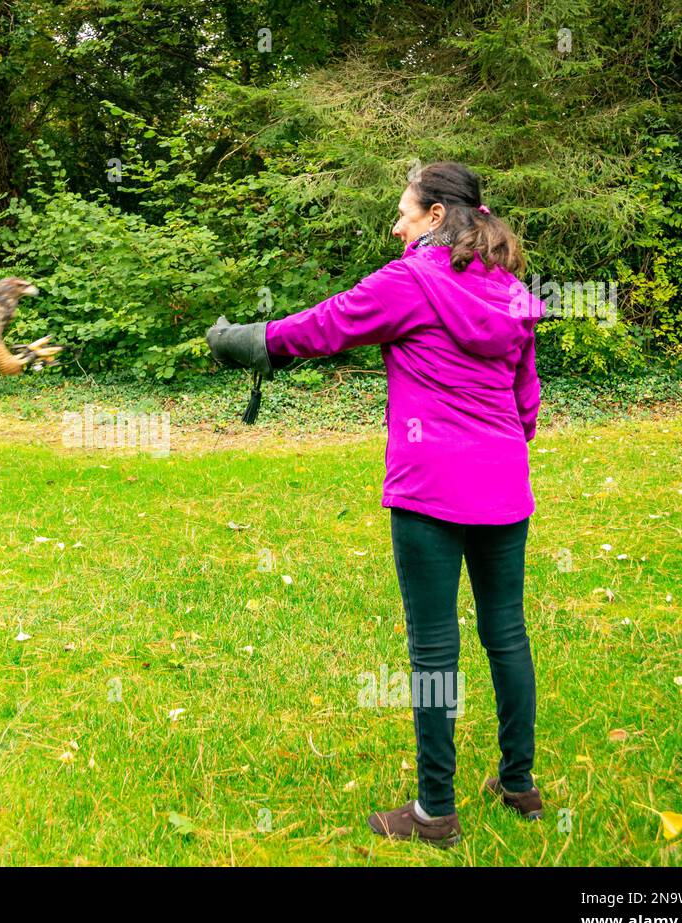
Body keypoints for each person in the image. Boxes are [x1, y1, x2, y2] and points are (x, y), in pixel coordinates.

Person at [208, 161, 545, 847]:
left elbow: (325, 326)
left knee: (433, 652)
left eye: (403, 211)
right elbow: (527, 403)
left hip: (430, 490)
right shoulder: (511, 292)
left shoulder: (410, 281)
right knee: (505, 633)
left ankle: (433, 812)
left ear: (434, 217)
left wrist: (247, 341)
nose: (395, 224)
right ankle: (519, 785)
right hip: (504, 485)